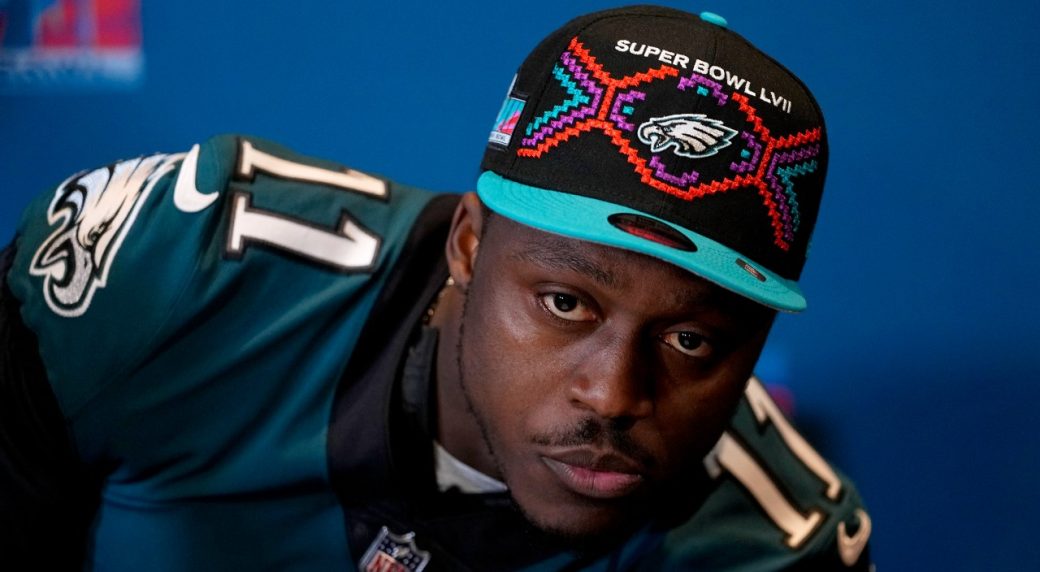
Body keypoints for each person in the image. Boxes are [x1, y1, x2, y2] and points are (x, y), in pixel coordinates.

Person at [0, 5, 872, 571]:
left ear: (754, 346)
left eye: (691, 340)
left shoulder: (775, 548)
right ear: (468, 245)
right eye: (566, 303)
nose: (614, 396)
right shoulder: (178, 272)